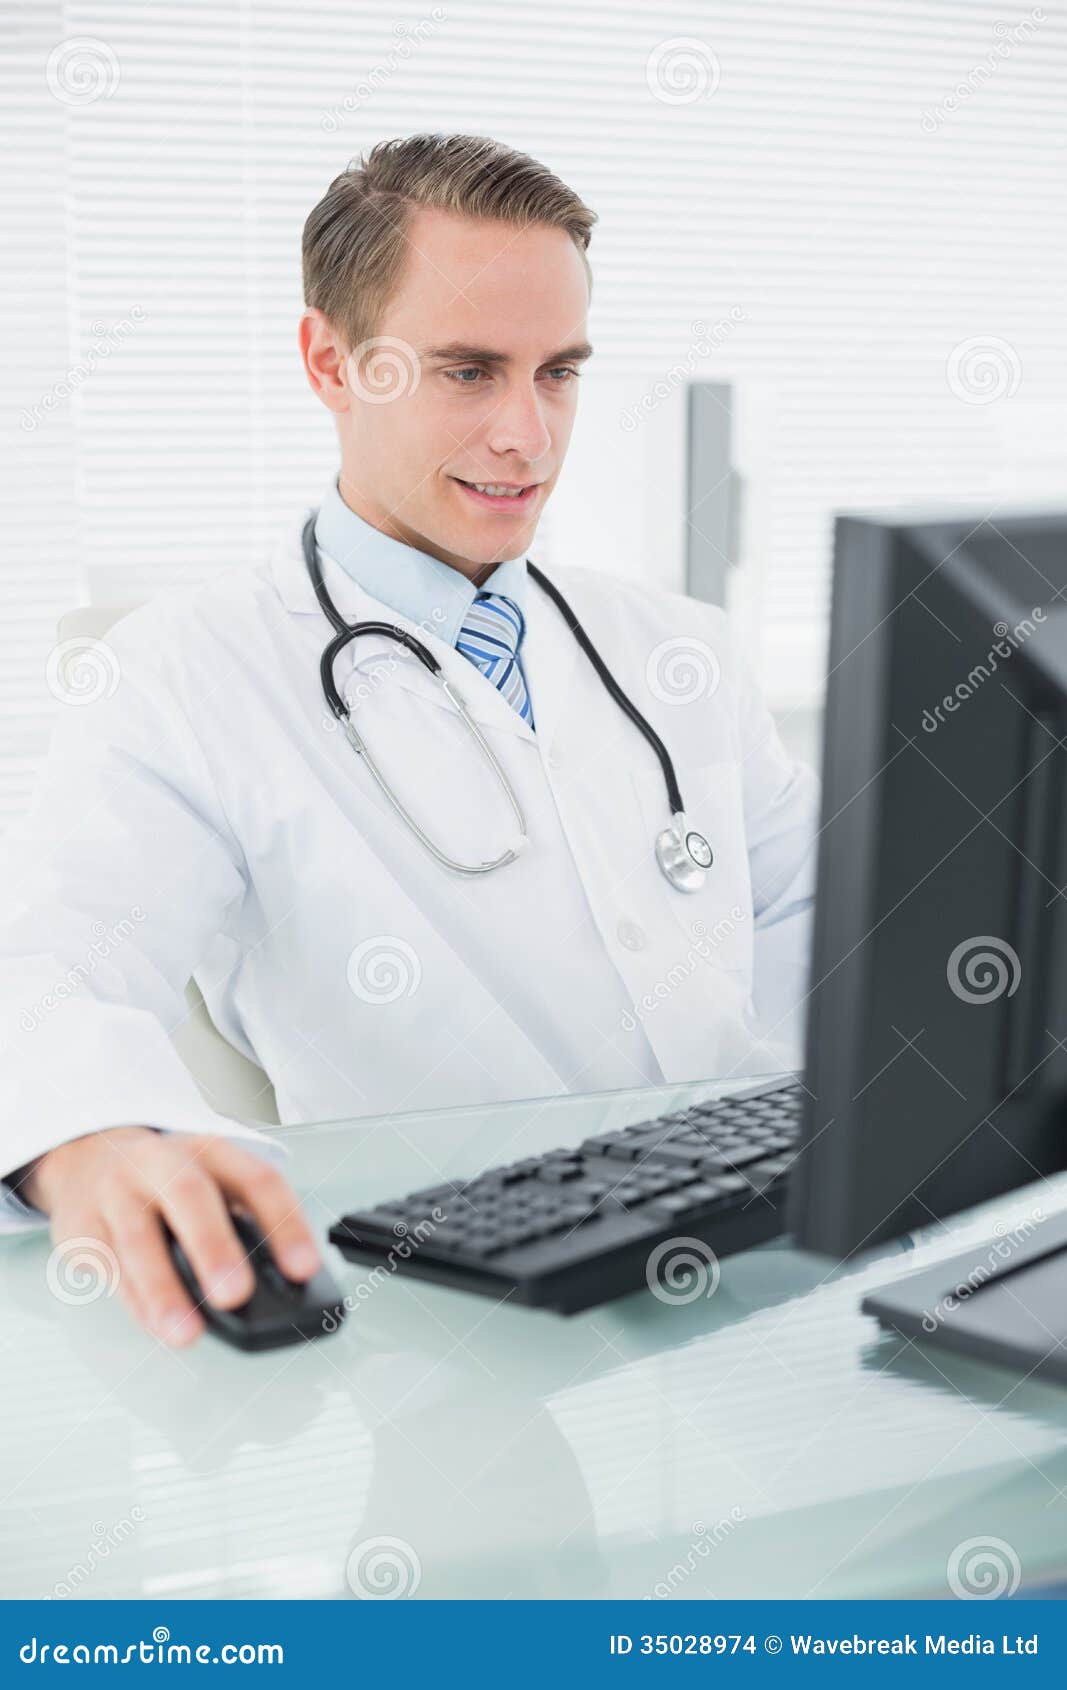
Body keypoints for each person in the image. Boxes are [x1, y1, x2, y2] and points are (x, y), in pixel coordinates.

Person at [0, 134, 819, 1347]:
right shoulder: (184, 673)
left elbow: (832, 926)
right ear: (330, 362)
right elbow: (51, 963)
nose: (527, 436)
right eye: (468, 371)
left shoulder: (670, 652)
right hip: (454, 1323)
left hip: (768, 1273)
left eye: (559, 373)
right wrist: (86, 1136)